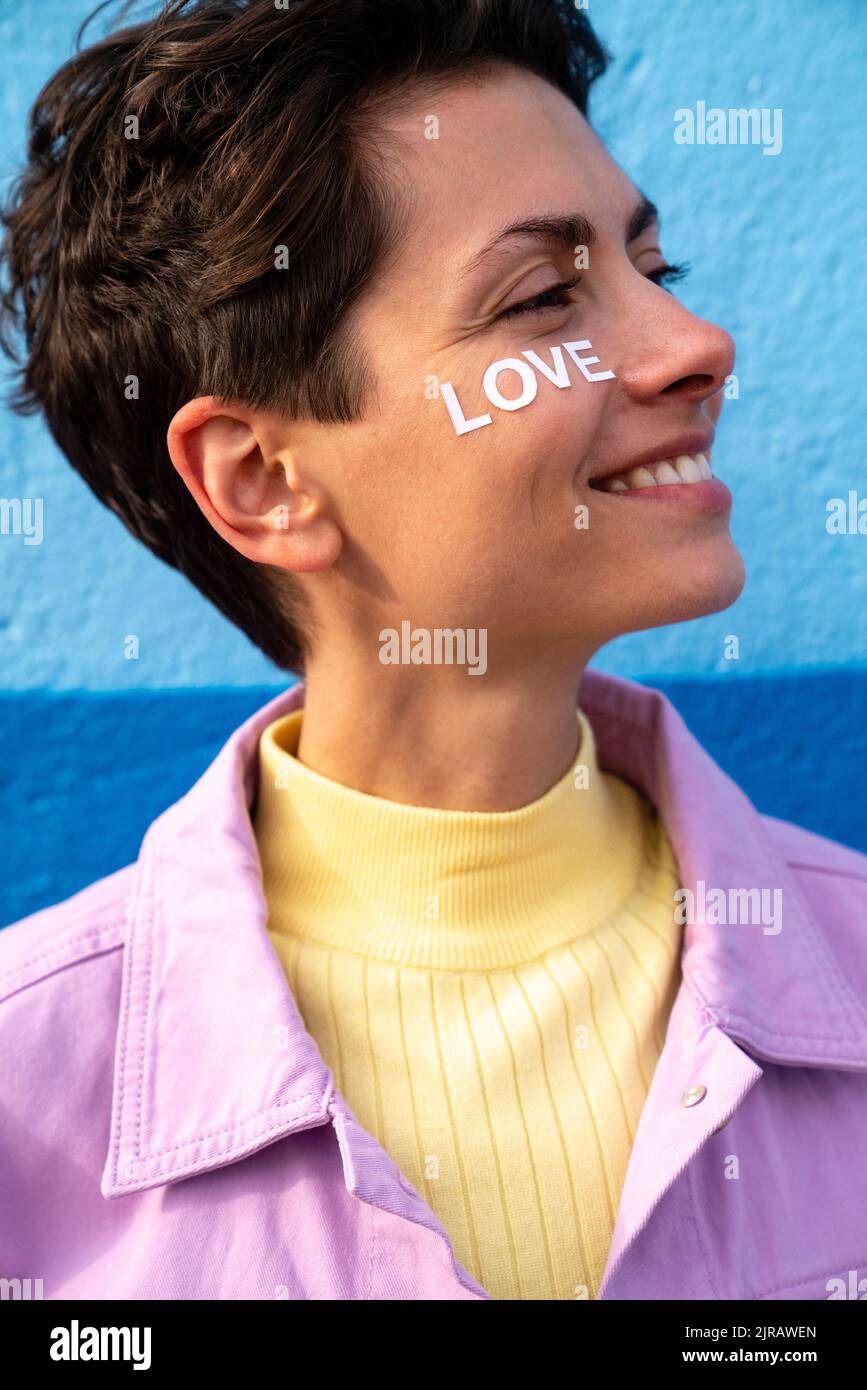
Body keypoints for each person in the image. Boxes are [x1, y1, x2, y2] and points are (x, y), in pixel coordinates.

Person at [1, 0, 866, 1303]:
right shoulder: (27, 1095)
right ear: (264, 481)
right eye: (544, 297)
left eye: (654, 269)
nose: (696, 348)